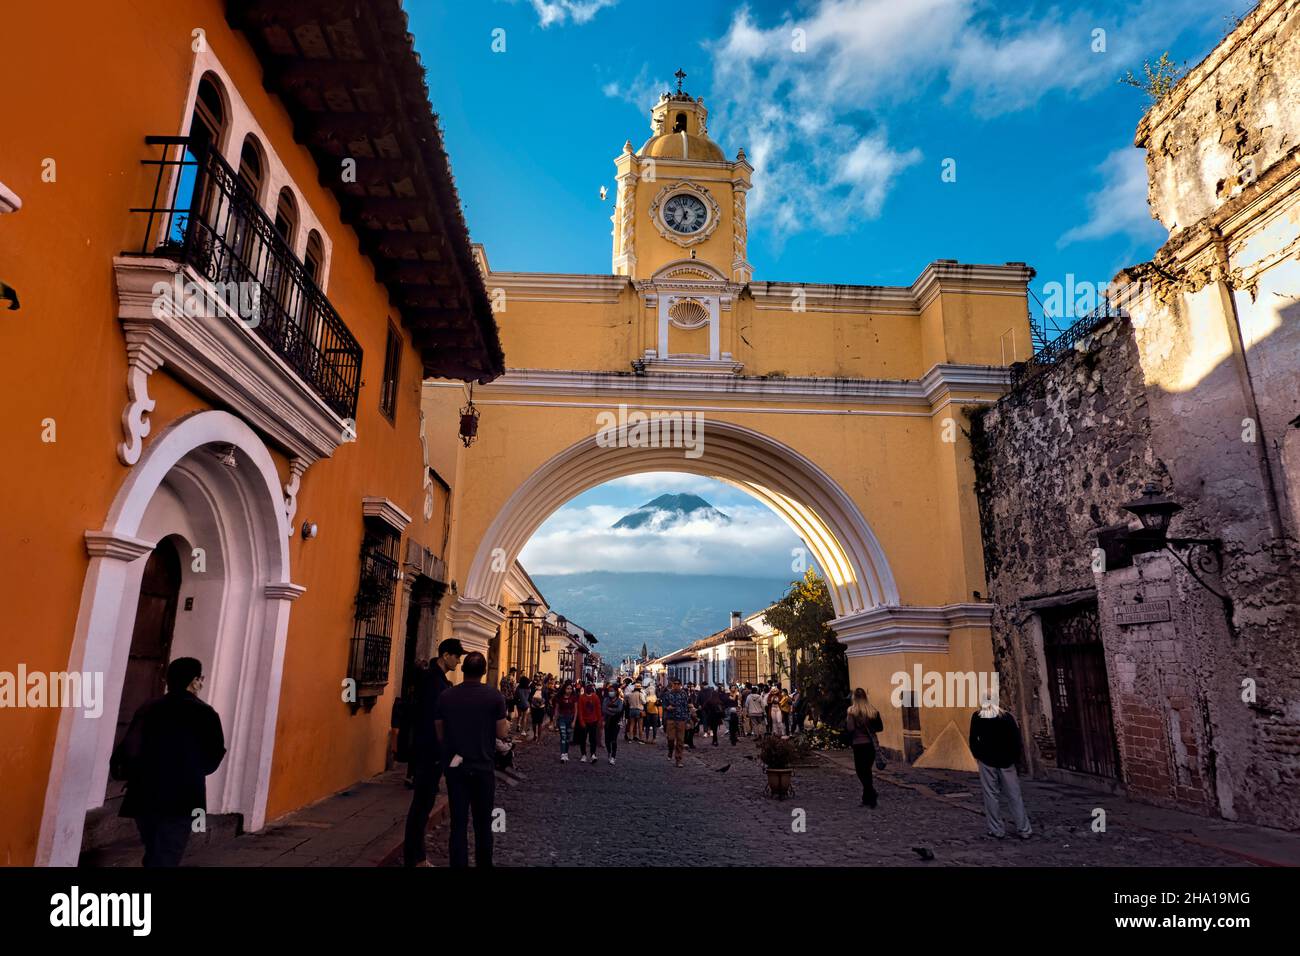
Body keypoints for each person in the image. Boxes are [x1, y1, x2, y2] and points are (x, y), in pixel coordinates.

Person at [110, 657, 226, 867]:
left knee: (154, 849)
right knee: (167, 854)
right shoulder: (205, 713)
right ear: (195, 681)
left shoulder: (149, 707)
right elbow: (212, 758)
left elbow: (129, 748)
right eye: (200, 679)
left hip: (143, 793)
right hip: (183, 797)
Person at [434, 651, 508, 867]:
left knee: (458, 822)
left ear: (463, 670)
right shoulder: (495, 697)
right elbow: (501, 733)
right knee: (483, 823)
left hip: (456, 766)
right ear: (484, 672)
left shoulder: (446, 696)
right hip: (483, 766)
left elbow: (440, 733)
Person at [402, 638, 463, 867]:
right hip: (429, 750)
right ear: (445, 655)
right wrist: (440, 750)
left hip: (430, 750)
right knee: (421, 805)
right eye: (456, 656)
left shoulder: (437, 680)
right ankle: (415, 858)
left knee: (424, 805)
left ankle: (417, 856)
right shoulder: (434, 683)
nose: (458, 661)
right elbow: (430, 720)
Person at [969, 695, 1033, 840]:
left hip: (987, 760)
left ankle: (996, 829)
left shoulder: (978, 717)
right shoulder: (1007, 718)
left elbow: (973, 739)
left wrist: (978, 755)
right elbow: (1017, 740)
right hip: (1007, 761)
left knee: (991, 795)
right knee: (1014, 795)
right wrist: (1013, 758)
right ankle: (1024, 829)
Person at [844, 688, 885, 808]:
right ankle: (867, 798)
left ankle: (871, 795)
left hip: (858, 745)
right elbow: (879, 728)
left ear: (854, 698)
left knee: (860, 771)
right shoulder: (872, 711)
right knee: (867, 771)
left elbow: (850, 728)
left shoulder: (851, 711)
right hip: (870, 745)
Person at [661, 677, 690, 767]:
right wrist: (666, 708)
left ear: (680, 685)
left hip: (681, 719)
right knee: (671, 738)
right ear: (672, 685)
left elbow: (686, 707)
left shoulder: (684, 694)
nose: (676, 686)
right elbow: (663, 705)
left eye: (678, 684)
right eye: (675, 684)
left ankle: (678, 759)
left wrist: (688, 721)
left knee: (680, 741)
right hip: (671, 719)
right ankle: (670, 750)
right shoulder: (667, 694)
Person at [575, 682, 603, 764]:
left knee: (592, 739)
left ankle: (593, 754)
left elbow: (598, 709)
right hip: (584, 721)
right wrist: (581, 721)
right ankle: (583, 754)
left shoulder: (595, 697)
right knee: (583, 739)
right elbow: (580, 711)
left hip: (593, 721)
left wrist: (599, 720)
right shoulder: (581, 698)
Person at [554, 680, 577, 761]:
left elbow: (576, 710)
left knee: (568, 738)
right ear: (564, 689)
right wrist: (555, 721)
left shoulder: (574, 697)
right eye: (567, 688)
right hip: (562, 718)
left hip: (570, 719)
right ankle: (562, 754)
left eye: (570, 689)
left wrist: (574, 721)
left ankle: (566, 753)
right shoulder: (559, 697)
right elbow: (556, 709)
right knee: (563, 736)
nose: (569, 690)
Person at [603, 684, 624, 765]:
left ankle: (613, 756)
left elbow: (619, 709)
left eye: (612, 691)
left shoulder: (619, 701)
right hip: (607, 721)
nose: (610, 692)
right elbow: (604, 709)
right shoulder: (606, 700)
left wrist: (610, 709)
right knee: (607, 740)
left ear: (616, 691)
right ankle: (609, 752)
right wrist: (613, 711)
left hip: (616, 722)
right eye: (609, 691)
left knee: (614, 739)